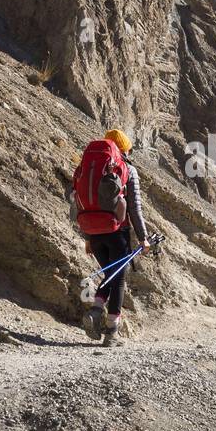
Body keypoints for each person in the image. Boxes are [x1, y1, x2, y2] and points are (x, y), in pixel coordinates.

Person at [80, 129, 152, 347]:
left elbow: (82, 201)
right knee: (118, 280)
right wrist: (143, 238)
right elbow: (135, 210)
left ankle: (95, 310)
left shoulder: (91, 167)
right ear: (124, 149)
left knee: (110, 275)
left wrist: (88, 238)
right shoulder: (127, 169)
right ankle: (112, 332)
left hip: (93, 232)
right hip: (116, 233)